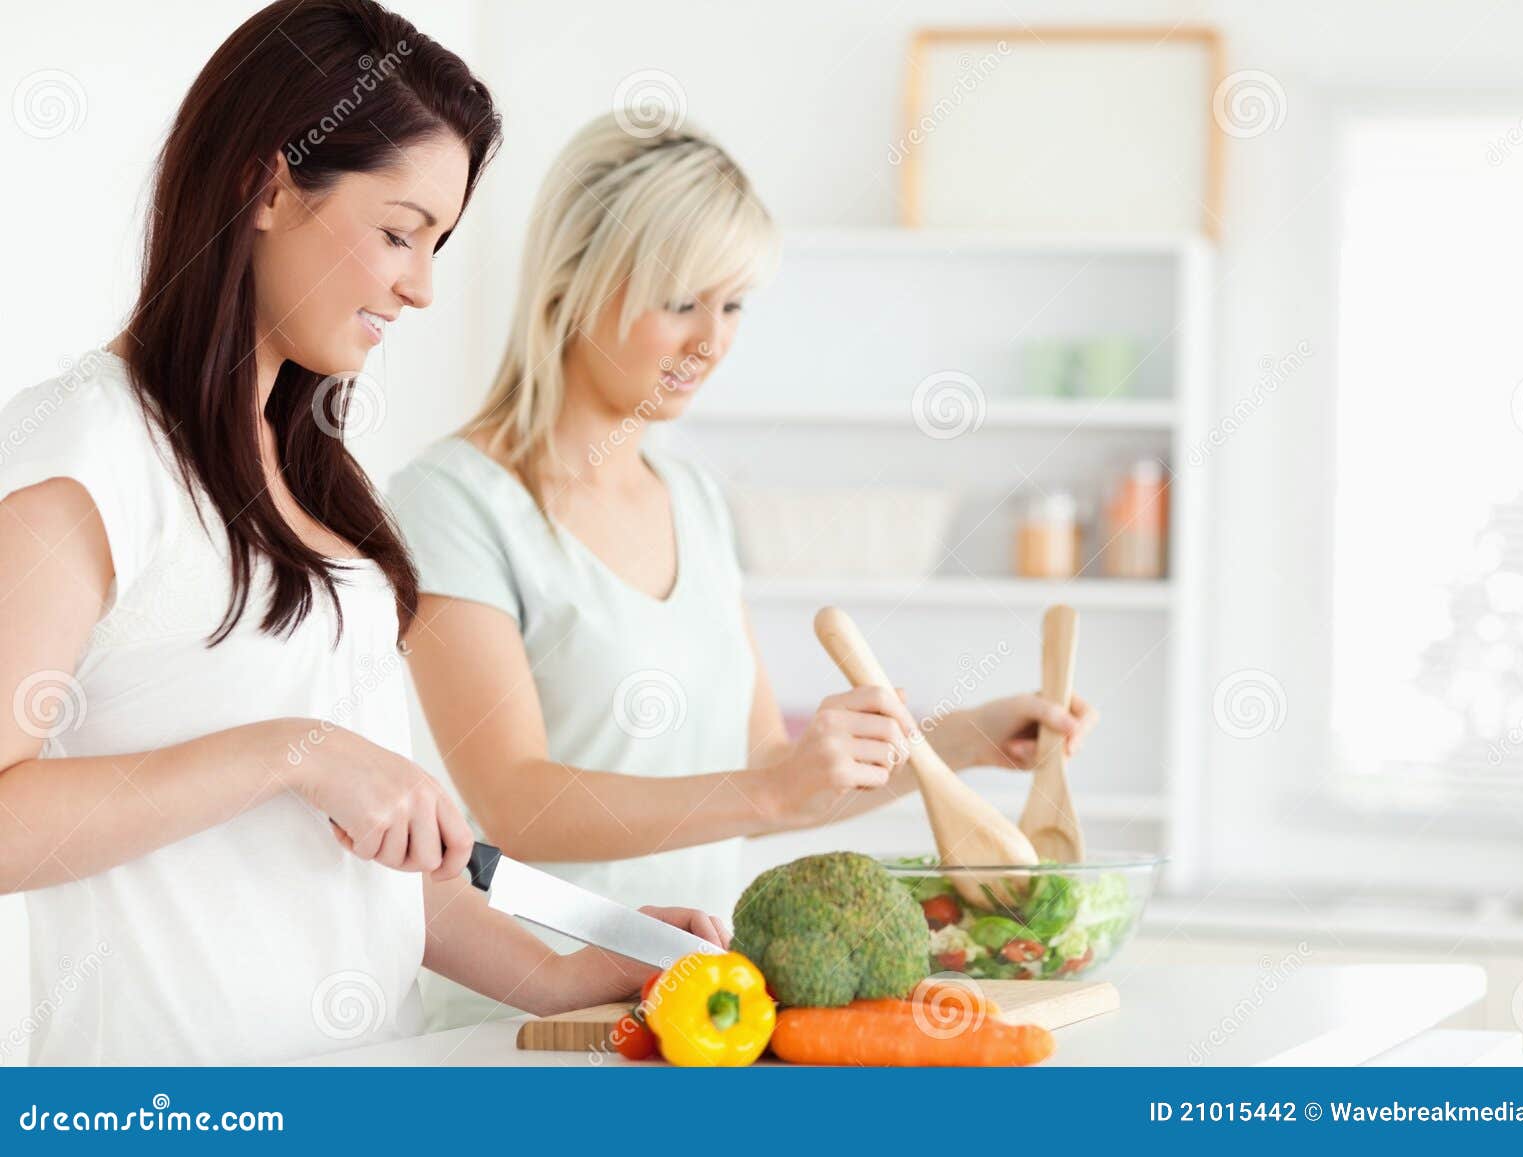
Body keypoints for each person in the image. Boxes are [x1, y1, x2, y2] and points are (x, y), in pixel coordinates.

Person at [0, 0, 724, 1066]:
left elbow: (367, 863)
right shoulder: (86, 450)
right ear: (266, 182)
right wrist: (292, 752)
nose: (422, 285)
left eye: (437, 243)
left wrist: (578, 967)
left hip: (358, 1084)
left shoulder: (315, 483)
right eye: (399, 231)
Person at [390, 113, 1098, 1028]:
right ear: (573, 284)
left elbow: (770, 776)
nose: (712, 342)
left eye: (733, 306)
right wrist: (770, 785)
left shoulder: (694, 498)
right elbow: (519, 803)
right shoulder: (455, 501)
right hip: (522, 1018)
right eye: (681, 301)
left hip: (693, 1001)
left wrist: (956, 743)